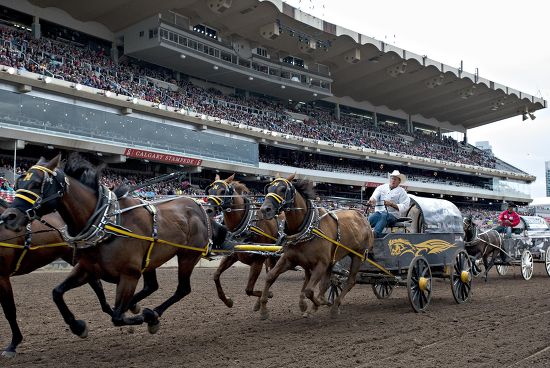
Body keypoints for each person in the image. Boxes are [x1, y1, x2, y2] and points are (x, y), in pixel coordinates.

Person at [367, 170, 411, 238]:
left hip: (393, 215)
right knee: (369, 220)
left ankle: (375, 234)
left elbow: (404, 206)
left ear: (399, 181)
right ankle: (362, 231)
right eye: (392, 178)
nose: (393, 180)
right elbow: (374, 197)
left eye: (395, 179)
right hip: (379, 213)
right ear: (390, 179)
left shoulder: (402, 192)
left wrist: (391, 204)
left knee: (384, 215)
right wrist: (371, 200)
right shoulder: (381, 187)